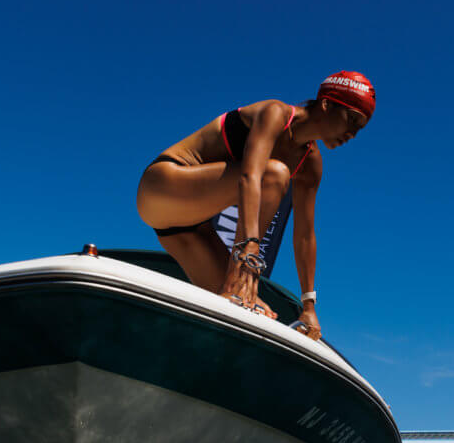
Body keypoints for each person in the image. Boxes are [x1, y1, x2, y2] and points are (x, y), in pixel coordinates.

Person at [136, 71, 375, 340]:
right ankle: (238, 277)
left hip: (186, 230)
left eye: (360, 128)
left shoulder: (311, 164)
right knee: (275, 174)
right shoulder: (276, 114)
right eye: (352, 119)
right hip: (162, 186)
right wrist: (249, 249)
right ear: (326, 104)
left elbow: (305, 235)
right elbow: (250, 177)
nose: (353, 133)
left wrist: (308, 306)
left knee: (252, 310)